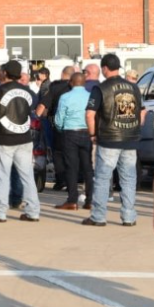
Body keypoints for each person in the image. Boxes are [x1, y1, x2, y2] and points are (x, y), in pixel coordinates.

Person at [84, 53, 146, 227]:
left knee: (103, 178)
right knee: (128, 178)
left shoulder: (100, 88)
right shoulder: (133, 88)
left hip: (109, 139)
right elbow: (141, 112)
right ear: (118, 67)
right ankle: (129, 217)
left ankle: (98, 216)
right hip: (130, 138)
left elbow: (90, 114)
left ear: (104, 68)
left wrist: (92, 134)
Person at [0, 60, 40, 222]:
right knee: (28, 176)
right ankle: (33, 211)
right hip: (25, 137)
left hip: (4, 138)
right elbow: (33, 109)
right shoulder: (28, 91)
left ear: (4, 73)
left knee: (3, 176)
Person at [54, 72, 94, 211]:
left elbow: (59, 118)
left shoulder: (65, 97)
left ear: (71, 82)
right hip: (87, 131)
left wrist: (61, 128)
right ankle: (90, 200)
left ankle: (72, 200)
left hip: (70, 131)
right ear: (84, 82)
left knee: (71, 167)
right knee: (87, 167)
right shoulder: (90, 95)